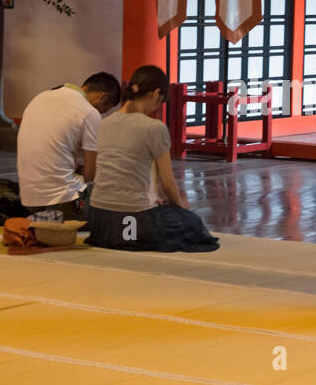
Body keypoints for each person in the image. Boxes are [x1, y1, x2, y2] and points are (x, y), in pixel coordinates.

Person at [87, 65, 220, 253]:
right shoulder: (154, 127)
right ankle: (135, 237)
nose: (156, 108)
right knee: (191, 222)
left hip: (100, 221)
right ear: (156, 93)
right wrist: (182, 207)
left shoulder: (104, 123)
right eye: (159, 102)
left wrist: (151, 197)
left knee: (161, 211)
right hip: (132, 222)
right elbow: (168, 183)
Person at [16, 72, 122, 217]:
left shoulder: (40, 97)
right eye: (103, 110)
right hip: (66, 203)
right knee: (120, 197)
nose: (100, 113)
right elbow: (91, 174)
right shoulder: (89, 112)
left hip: (29, 201)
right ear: (102, 96)